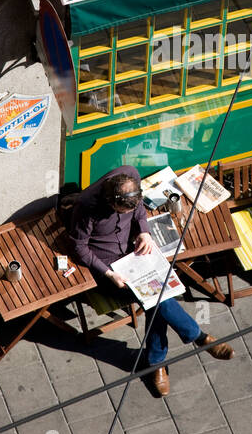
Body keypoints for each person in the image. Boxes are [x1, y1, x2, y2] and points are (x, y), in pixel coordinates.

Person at [67, 166, 232, 396]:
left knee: (157, 301)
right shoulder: (87, 207)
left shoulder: (131, 175)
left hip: (134, 255)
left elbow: (139, 212)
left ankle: (157, 362)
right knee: (158, 300)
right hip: (111, 271)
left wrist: (144, 232)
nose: (125, 215)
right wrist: (109, 274)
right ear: (110, 200)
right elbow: (79, 248)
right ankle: (197, 339)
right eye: (120, 211)